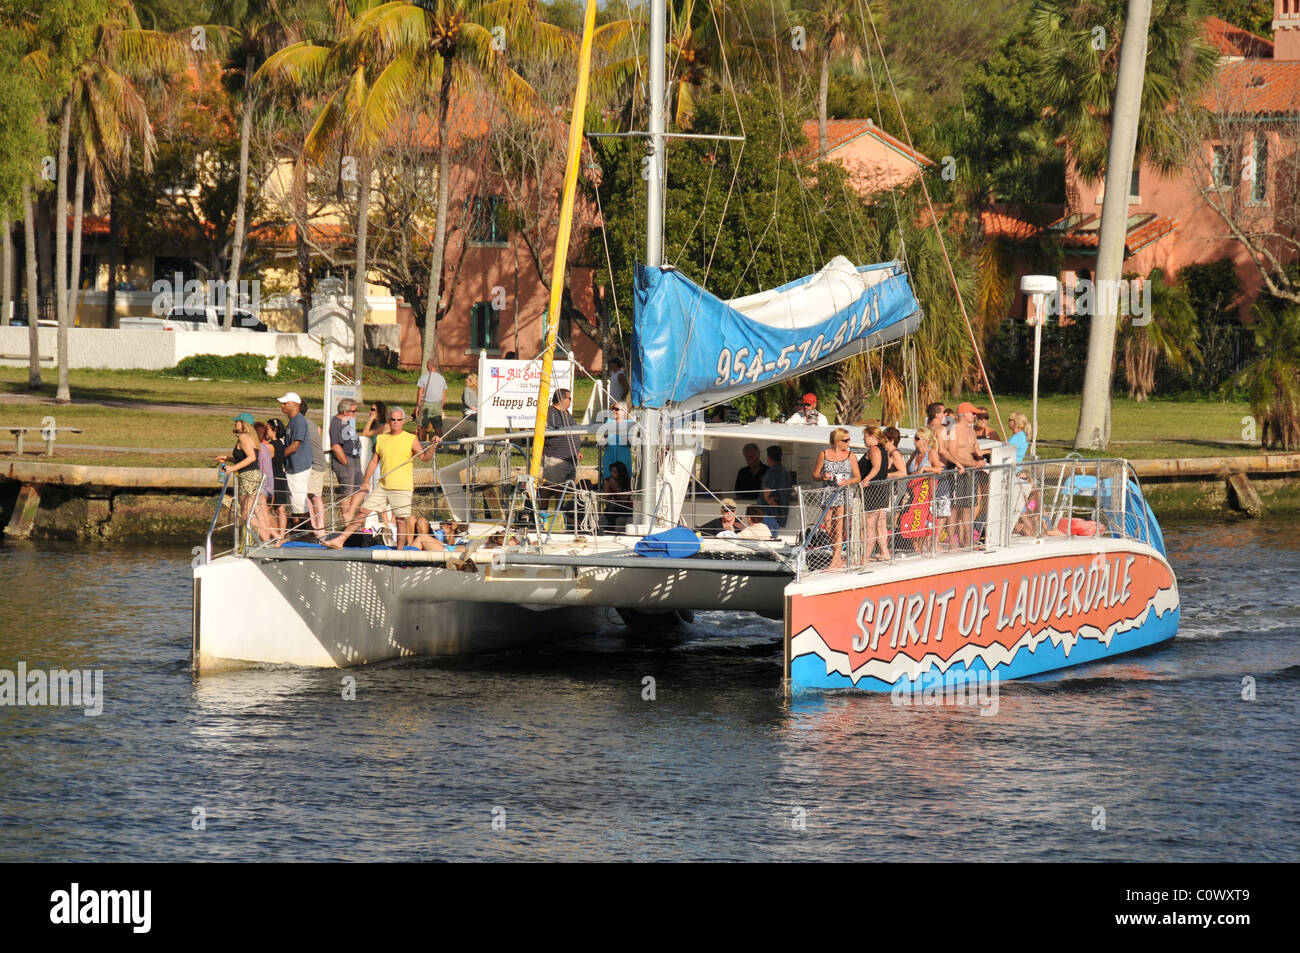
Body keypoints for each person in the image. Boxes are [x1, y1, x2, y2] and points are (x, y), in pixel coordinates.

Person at [325, 406, 436, 549]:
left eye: (398, 420)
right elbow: (373, 462)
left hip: (402, 487)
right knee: (363, 511)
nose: (395, 422)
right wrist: (365, 482)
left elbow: (425, 458)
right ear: (389, 421)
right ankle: (340, 540)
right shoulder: (382, 439)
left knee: (401, 520)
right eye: (393, 419)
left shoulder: (411, 439)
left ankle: (400, 550)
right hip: (383, 486)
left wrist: (433, 446)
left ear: (403, 421)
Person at [216, 412, 272, 541]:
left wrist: (232, 468)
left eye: (237, 421)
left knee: (246, 514)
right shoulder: (250, 437)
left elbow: (251, 458)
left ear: (243, 423)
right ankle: (268, 541)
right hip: (253, 475)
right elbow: (245, 458)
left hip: (249, 477)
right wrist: (228, 459)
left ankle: (266, 542)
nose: (235, 423)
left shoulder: (244, 437)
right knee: (256, 512)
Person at [812, 427, 861, 569]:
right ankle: (837, 556)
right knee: (828, 527)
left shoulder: (850, 455)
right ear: (837, 441)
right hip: (828, 493)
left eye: (849, 439)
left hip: (843, 493)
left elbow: (857, 477)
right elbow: (814, 475)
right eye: (846, 440)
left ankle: (835, 560)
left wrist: (846, 482)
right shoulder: (823, 454)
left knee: (838, 527)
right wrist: (823, 476)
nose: (848, 442)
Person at [945, 402, 987, 548]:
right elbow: (952, 453)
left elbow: (977, 450)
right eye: (973, 413)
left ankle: (968, 540)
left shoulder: (972, 431)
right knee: (955, 507)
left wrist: (982, 459)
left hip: (971, 473)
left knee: (969, 506)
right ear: (964, 414)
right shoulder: (954, 429)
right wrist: (970, 464)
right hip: (958, 471)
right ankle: (952, 541)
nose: (975, 416)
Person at [277, 392, 315, 539]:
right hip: (293, 466)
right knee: (296, 500)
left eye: (285, 403)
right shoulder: (292, 421)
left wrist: (277, 457)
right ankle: (301, 531)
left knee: (299, 501)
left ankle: (306, 532)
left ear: (294, 404)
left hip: (299, 466)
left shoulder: (299, 421)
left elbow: (294, 446)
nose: (282, 406)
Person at [330, 398, 365, 523]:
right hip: (346, 460)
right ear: (345, 411)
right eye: (353, 411)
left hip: (354, 459)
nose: (355, 414)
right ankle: (347, 520)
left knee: (362, 488)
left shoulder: (346, 423)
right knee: (348, 491)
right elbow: (335, 445)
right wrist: (345, 462)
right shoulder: (336, 423)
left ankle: (350, 513)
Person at [541, 388, 580, 495]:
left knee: (562, 490)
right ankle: (543, 510)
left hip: (570, 459)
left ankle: (560, 510)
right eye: (569, 398)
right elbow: (549, 432)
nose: (570, 401)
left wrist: (576, 451)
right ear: (562, 399)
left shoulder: (567, 413)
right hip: (556, 459)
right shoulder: (551, 412)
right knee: (550, 487)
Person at [299, 396, 328, 540]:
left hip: (316, 465)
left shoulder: (302, 424)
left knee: (315, 496)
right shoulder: (309, 424)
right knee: (307, 495)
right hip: (307, 465)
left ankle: (320, 528)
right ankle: (314, 527)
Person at [859, 424, 889, 561]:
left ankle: (864, 556)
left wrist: (866, 479)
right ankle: (885, 552)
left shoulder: (874, 449)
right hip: (881, 489)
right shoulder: (883, 449)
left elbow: (876, 467)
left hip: (873, 489)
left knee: (869, 525)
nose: (863, 439)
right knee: (879, 524)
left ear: (872, 436)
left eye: (865, 436)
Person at [599, 402, 633, 481]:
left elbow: (633, 442)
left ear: (624, 411)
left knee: (623, 478)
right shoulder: (609, 422)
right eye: (613, 409)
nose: (614, 411)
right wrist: (603, 440)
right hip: (610, 452)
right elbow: (603, 439)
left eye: (616, 409)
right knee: (608, 477)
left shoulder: (629, 423)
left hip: (623, 453)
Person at [415, 358, 447, 441]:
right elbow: (443, 395)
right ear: (435, 366)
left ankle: (422, 444)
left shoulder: (423, 378)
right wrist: (441, 406)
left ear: (428, 366)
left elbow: (419, 393)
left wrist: (418, 406)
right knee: (438, 426)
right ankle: (439, 445)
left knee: (423, 426)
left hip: (426, 404)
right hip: (437, 404)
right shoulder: (442, 378)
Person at [760, 445, 792, 527]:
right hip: (782, 514)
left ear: (769, 457)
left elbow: (767, 494)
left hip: (770, 514)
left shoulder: (772, 472)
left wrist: (775, 506)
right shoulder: (785, 472)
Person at [361, 400, 389, 490]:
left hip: (384, 457)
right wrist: (371, 420)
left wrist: (371, 419)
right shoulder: (374, 425)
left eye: (373, 410)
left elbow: (366, 433)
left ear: (379, 412)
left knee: (378, 481)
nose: (370, 412)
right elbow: (364, 433)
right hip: (375, 456)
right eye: (370, 409)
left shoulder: (385, 426)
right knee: (373, 481)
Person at [602, 460, 634, 532]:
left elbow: (624, 500)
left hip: (626, 507)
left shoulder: (627, 482)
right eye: (611, 472)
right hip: (613, 507)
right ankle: (607, 528)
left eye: (615, 472)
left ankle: (607, 527)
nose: (612, 474)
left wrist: (615, 487)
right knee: (612, 506)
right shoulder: (607, 481)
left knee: (613, 507)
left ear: (620, 473)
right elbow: (606, 501)